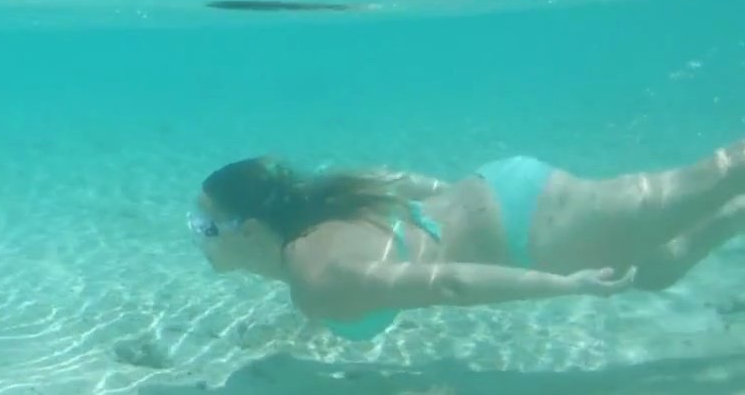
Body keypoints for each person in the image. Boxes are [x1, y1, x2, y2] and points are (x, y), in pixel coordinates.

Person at [189, 141, 745, 341]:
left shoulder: (314, 278)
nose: (198, 237)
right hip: (500, 189)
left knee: (708, 179)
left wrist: (562, 284)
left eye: (206, 227)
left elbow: (448, 284)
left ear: (254, 230)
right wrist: (464, 199)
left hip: (530, 226)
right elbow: (397, 180)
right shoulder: (317, 210)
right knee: (655, 269)